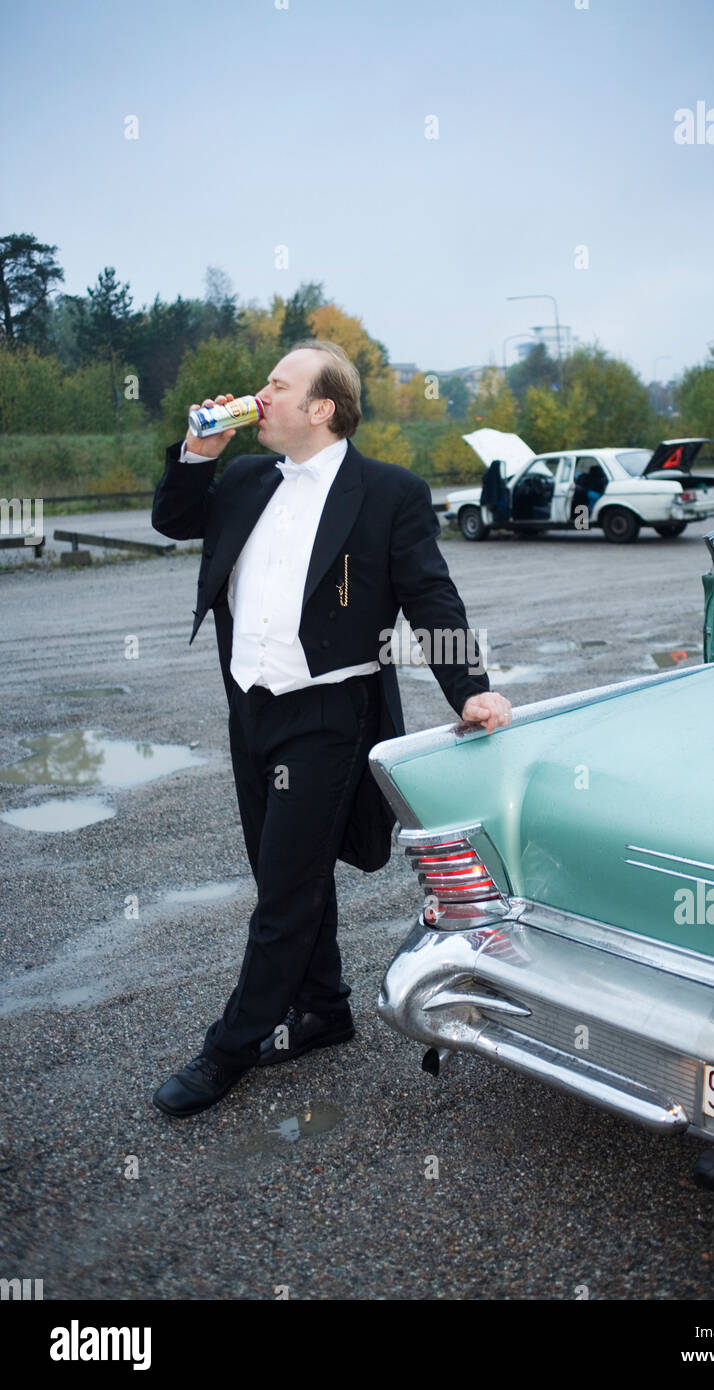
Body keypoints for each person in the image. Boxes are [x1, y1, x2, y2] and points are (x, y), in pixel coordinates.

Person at [150, 340, 512, 1117]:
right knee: (283, 871)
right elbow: (174, 518)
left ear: (322, 407)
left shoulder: (387, 492)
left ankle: (231, 1047)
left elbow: (430, 597)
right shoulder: (245, 475)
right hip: (249, 705)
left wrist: (470, 692)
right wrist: (196, 452)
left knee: (284, 887)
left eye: (276, 385)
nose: (261, 395)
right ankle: (322, 1010)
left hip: (328, 712)